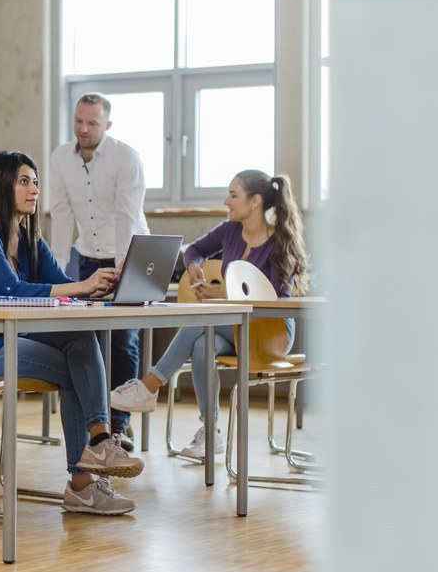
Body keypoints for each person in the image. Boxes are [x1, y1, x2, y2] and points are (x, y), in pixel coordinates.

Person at [0, 150, 145, 516]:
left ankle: (89, 466)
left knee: (79, 345)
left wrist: (101, 286)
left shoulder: (29, 235)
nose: (34, 189)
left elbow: (65, 285)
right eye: (24, 181)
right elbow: (8, 290)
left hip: (11, 339)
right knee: (77, 363)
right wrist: (80, 287)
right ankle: (92, 461)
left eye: (35, 181)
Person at [109, 169, 309, 459]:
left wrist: (222, 296)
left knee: (203, 319)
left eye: (233, 195)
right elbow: (194, 251)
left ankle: (151, 384)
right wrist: (193, 268)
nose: (226, 201)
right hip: (233, 327)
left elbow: (275, 302)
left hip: (270, 332)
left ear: (255, 201)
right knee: (203, 345)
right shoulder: (228, 231)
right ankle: (211, 432)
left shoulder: (280, 243)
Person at [49, 92, 151, 451]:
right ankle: (100, 424)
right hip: (88, 256)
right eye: (79, 121)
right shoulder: (61, 157)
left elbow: (127, 217)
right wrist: (59, 276)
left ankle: (120, 425)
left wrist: (124, 269)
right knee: (89, 340)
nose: (84, 129)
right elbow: (60, 216)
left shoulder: (125, 157)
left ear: (107, 124)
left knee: (124, 341)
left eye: (92, 122)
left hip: (131, 254)